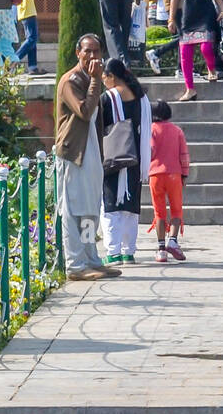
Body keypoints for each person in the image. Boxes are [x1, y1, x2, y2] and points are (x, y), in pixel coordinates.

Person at [53, 33, 119, 280]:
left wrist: (94, 81)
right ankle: (76, 265)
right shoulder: (70, 80)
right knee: (72, 209)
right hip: (74, 152)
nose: (93, 56)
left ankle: (92, 257)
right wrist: (94, 81)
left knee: (90, 208)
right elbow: (84, 110)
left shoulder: (91, 79)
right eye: (87, 51)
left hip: (90, 149)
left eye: (97, 51)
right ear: (77, 53)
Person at [99, 58, 153, 264]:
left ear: (112, 76)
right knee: (131, 207)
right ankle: (128, 252)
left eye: (104, 76)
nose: (103, 80)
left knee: (111, 205)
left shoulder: (108, 98)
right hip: (137, 158)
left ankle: (112, 253)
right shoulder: (141, 97)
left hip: (115, 158)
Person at [169, 0, 223, 101]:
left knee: (206, 47)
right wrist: (171, 18)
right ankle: (190, 89)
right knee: (185, 53)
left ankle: (211, 68)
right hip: (187, 17)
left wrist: (222, 10)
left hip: (205, 16)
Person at [148, 100, 190, 264]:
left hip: (155, 175)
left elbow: (149, 152)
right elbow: (184, 155)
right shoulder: (177, 130)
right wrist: (184, 174)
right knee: (176, 210)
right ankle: (172, 241)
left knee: (159, 213)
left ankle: (160, 250)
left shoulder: (150, 130)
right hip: (174, 174)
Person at [10, 0, 44, 74]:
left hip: (29, 9)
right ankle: (14, 60)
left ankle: (32, 67)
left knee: (33, 39)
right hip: (26, 11)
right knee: (31, 38)